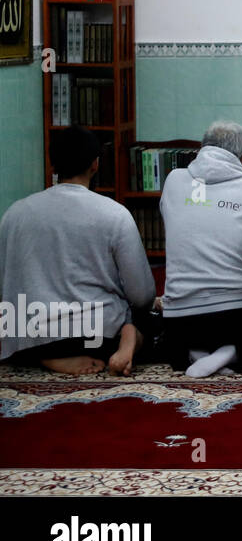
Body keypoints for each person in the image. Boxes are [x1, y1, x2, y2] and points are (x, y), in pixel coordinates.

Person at [0, 126, 153, 375]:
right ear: (95, 164)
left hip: (29, 339)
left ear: (53, 165)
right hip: (97, 337)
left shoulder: (15, 213)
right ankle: (128, 339)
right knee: (153, 321)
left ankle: (47, 357)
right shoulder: (113, 213)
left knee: (26, 331)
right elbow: (143, 295)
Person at [159, 120, 242, 377]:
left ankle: (194, 353)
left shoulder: (173, 181)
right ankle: (231, 352)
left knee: (161, 333)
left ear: (201, 150)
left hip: (181, 319)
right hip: (238, 317)